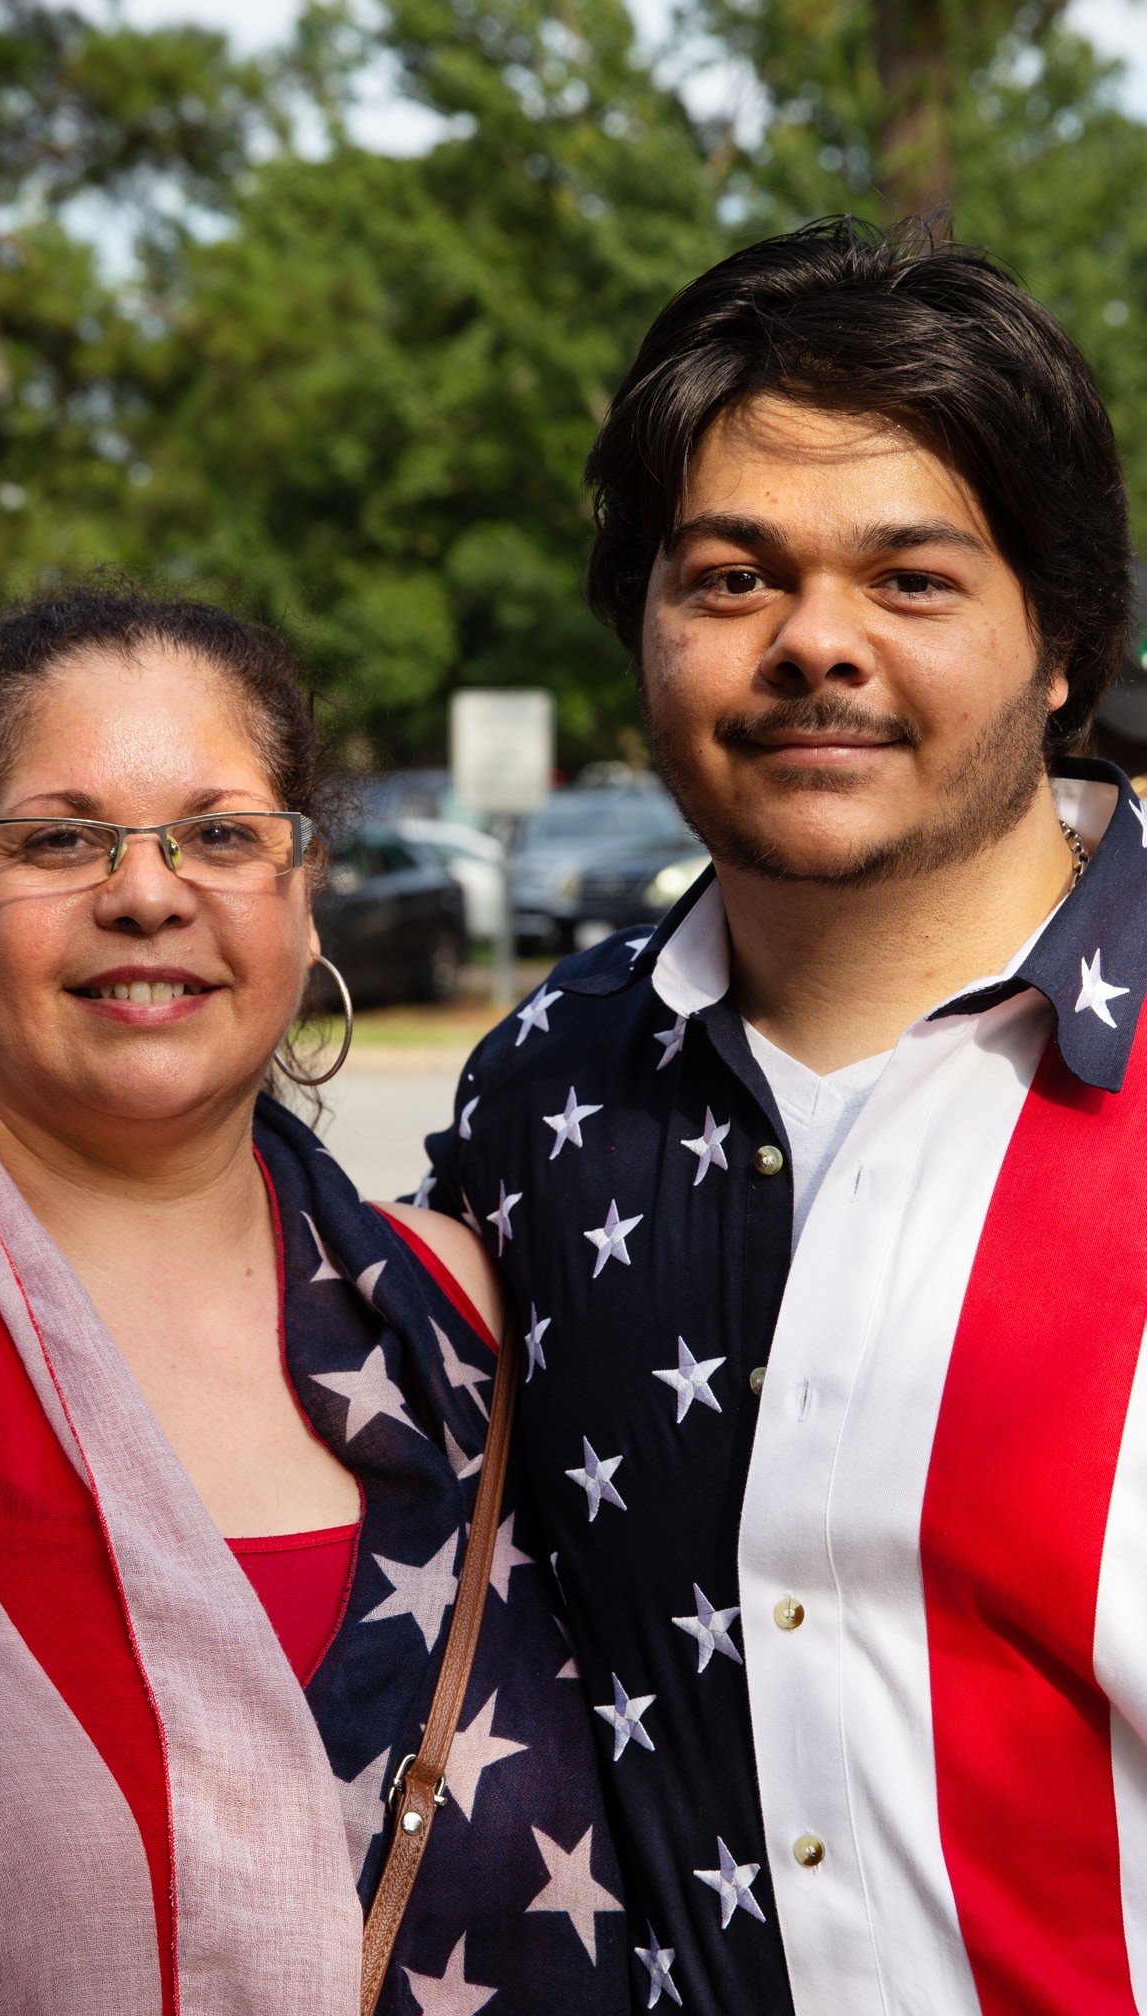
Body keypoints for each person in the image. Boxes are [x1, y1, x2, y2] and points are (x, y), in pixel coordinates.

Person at [422, 215, 1147, 2015]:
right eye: (732, 576)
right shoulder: (539, 1086)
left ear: (1062, 648)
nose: (816, 643)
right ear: (644, 628)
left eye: (912, 580)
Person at [0, 585, 629, 2013]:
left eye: (223, 835)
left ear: (303, 901)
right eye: (60, 838)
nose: (146, 890)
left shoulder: (457, 1304)